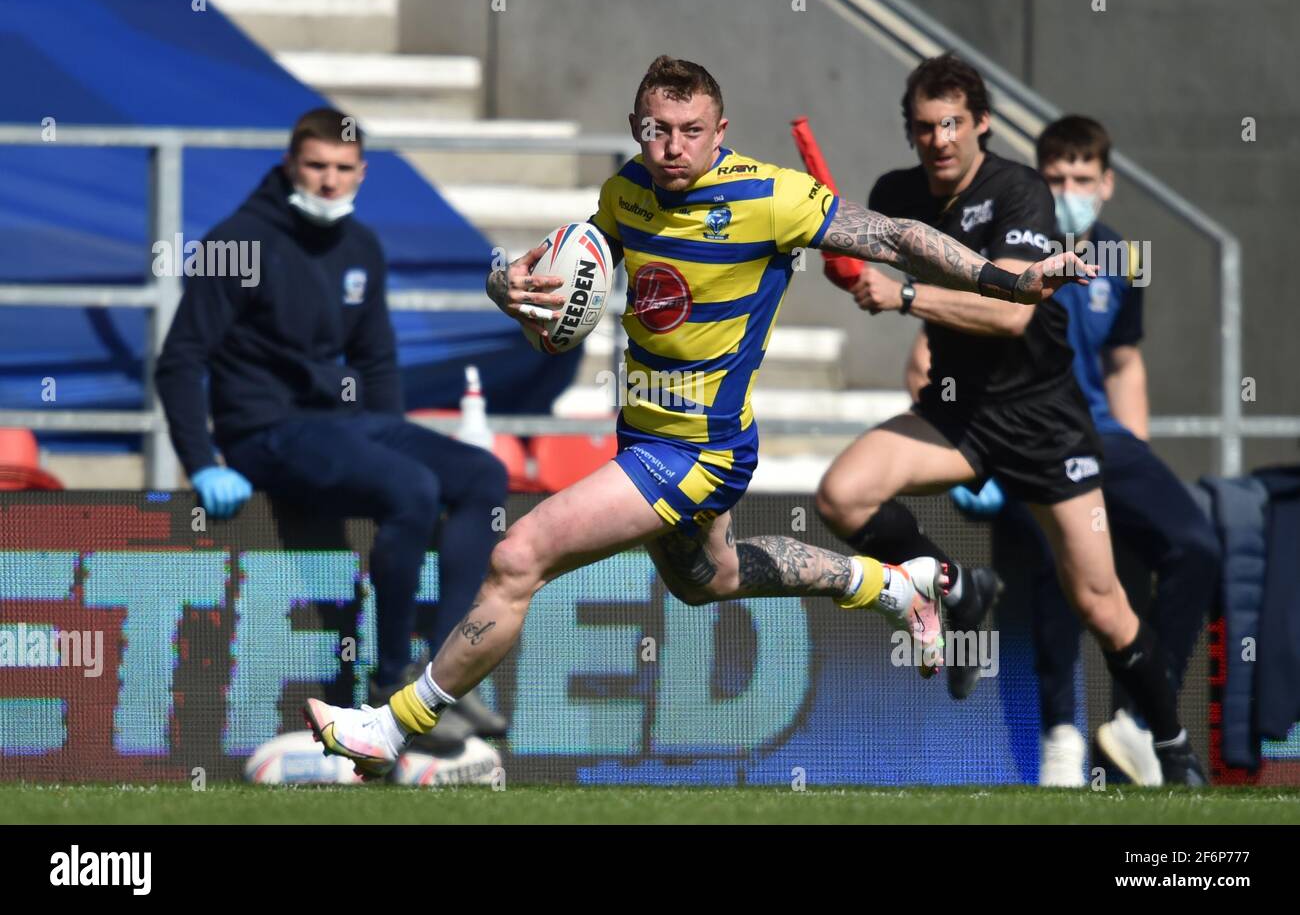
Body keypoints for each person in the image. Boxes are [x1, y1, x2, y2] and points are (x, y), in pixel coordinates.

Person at [303, 55, 1091, 778]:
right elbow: (552, 281)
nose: (673, 146)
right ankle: (895, 585)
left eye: (690, 131)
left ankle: (395, 724)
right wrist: (501, 284)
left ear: (721, 132)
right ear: (637, 129)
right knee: (708, 580)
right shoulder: (625, 193)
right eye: (657, 130)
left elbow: (891, 234)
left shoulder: (770, 196)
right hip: (645, 434)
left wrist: (1004, 279)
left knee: (520, 557)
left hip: (697, 451)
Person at [816, 54, 1205, 784]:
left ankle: (1174, 746)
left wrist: (902, 297)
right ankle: (962, 588)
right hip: (956, 413)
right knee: (841, 494)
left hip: (1044, 422)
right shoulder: (894, 194)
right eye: (925, 126)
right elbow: (844, 245)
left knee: (1101, 603)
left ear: (983, 123)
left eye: (953, 123)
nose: (939, 139)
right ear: (910, 131)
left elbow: (1008, 310)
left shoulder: (1020, 190)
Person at [155, 107, 509, 750]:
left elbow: (375, 360)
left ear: (361, 173)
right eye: (316, 166)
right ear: (292, 165)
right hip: (265, 431)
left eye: (343, 169)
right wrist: (202, 458)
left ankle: (449, 674)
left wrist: (388, 436)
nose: (328, 181)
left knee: (482, 474)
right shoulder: (236, 242)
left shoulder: (361, 246)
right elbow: (181, 360)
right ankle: (392, 685)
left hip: (345, 426)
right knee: (410, 489)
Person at [943, 115, 1220, 785]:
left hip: (1105, 439)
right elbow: (934, 348)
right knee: (1053, 558)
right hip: (1028, 434)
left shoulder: (1120, 258)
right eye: (1056, 176)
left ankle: (1134, 722)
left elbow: (1124, 364)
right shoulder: (1005, 246)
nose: (1069, 188)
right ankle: (1060, 736)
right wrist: (962, 437)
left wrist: (1137, 459)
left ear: (1107, 184)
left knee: (1196, 544)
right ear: (1038, 179)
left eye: (1082, 177)